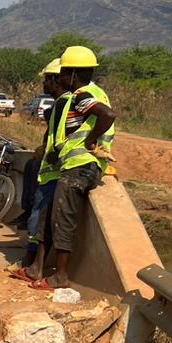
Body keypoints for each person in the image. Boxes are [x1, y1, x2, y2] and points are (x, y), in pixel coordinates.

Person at [34, 46, 116, 289]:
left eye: (62, 74)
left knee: (63, 219)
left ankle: (60, 276)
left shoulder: (82, 95)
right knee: (56, 215)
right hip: (80, 165)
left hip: (81, 166)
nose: (59, 79)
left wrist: (91, 141)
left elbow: (108, 116)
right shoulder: (94, 91)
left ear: (72, 74)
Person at [12, 58, 67, 282]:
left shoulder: (64, 103)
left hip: (58, 170)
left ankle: (32, 263)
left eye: (47, 80)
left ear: (56, 79)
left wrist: (50, 152)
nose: (44, 85)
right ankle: (33, 263)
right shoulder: (58, 104)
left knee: (40, 218)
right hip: (50, 168)